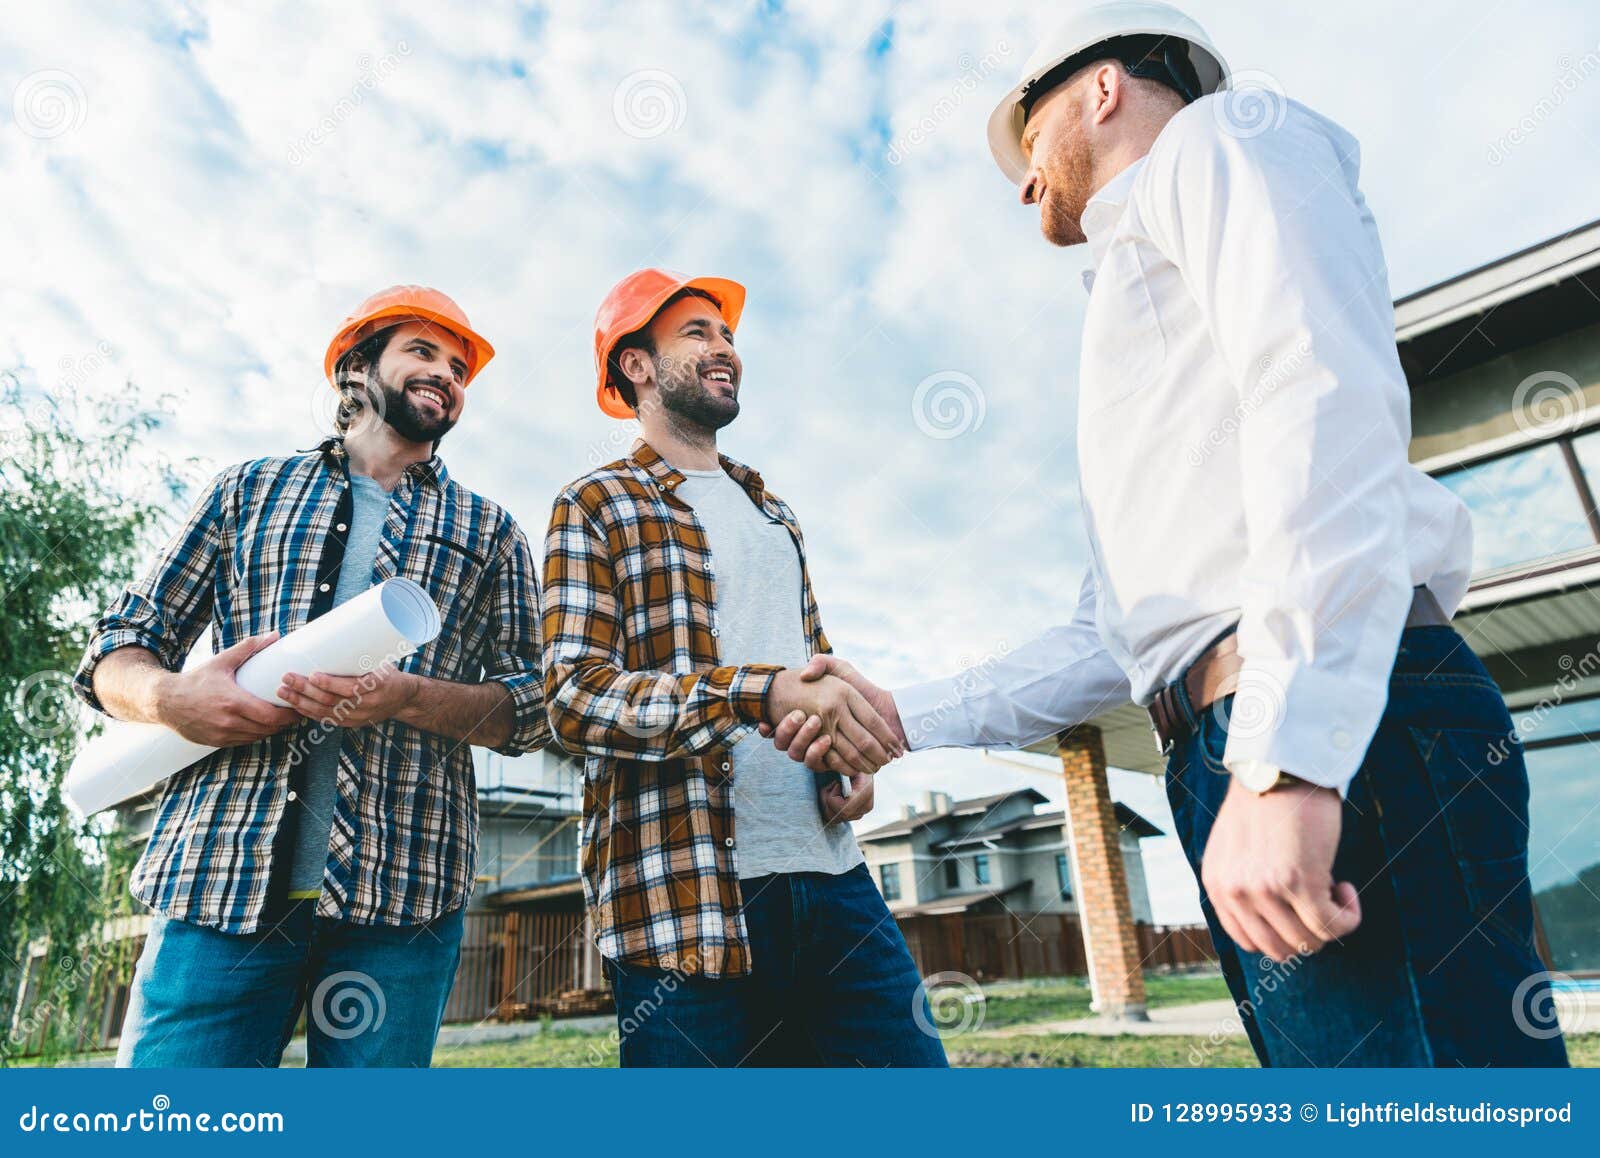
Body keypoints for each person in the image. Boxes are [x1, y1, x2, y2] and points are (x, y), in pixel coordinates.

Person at [767, 2, 1567, 1067]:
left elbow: (1317, 401)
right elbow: (1117, 636)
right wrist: (898, 716)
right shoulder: (1141, 301)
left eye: (1027, 134)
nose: (1020, 181)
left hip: (1338, 725)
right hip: (1237, 742)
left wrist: (1286, 760)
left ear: (1100, 89)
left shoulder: (1223, 139)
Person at [75, 285, 551, 1067]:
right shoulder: (248, 490)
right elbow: (121, 643)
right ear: (358, 368)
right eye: (424, 353)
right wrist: (169, 697)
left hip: (400, 901)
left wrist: (406, 697)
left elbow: (533, 708)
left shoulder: (491, 530)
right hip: (218, 882)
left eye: (461, 367)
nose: (447, 375)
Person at [541, 269, 945, 1067]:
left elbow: (814, 668)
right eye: (697, 332)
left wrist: (849, 759)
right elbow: (574, 698)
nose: (724, 347)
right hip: (681, 895)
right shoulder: (594, 505)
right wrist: (751, 690)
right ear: (637, 366)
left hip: (833, 878)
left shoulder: (774, 512)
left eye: (727, 335)